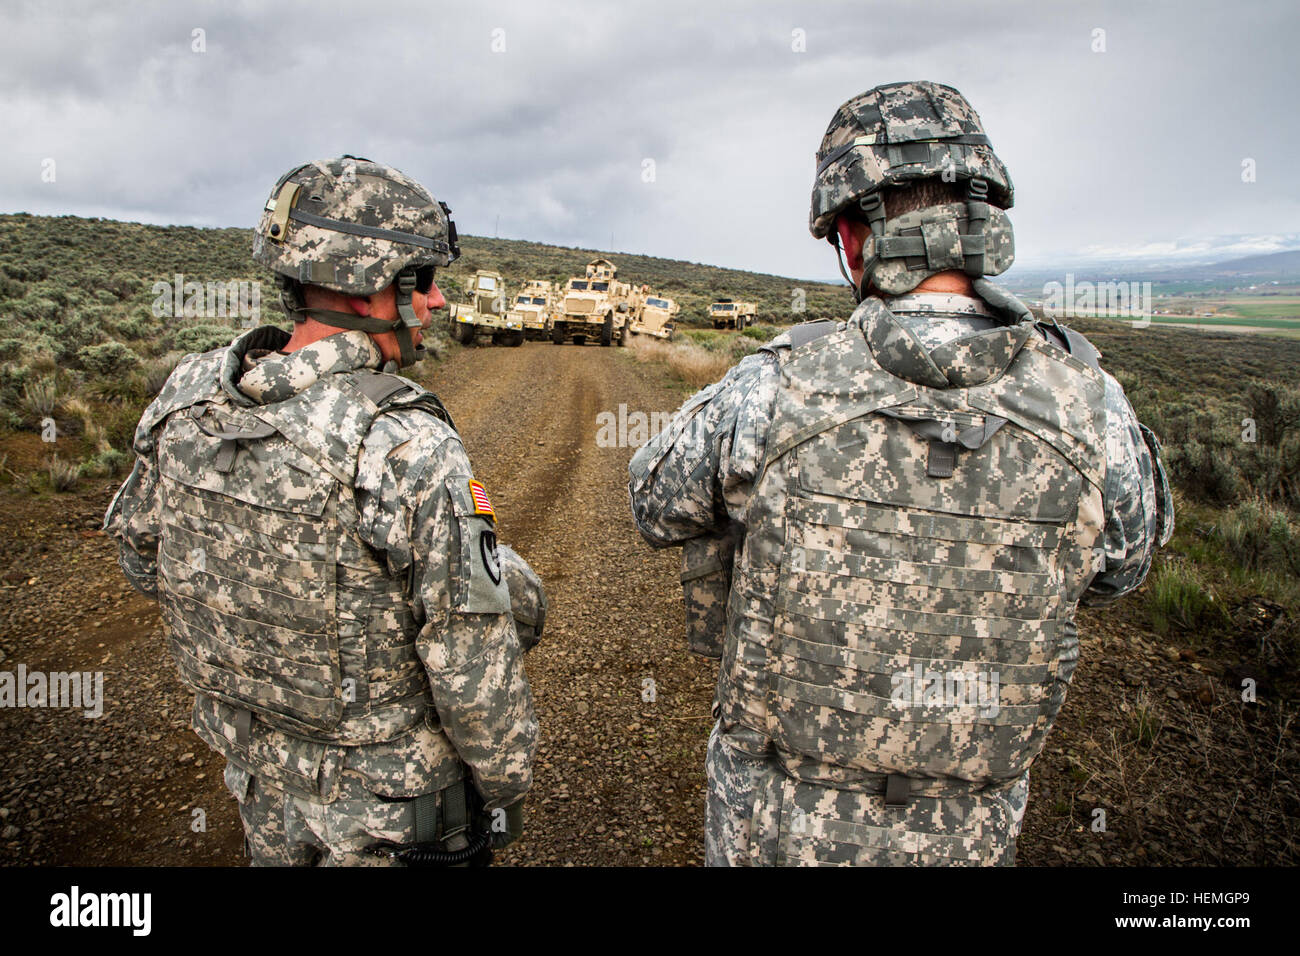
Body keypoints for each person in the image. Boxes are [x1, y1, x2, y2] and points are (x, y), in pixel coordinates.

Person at [629, 83, 1174, 866]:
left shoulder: (778, 385)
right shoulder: (1091, 403)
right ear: (981, 222)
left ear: (852, 236)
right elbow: (1120, 570)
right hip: (968, 838)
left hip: (774, 828)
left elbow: (654, 502)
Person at [105, 156, 540, 866]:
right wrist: (503, 787)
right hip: (398, 819)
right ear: (370, 288)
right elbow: (473, 663)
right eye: (422, 280)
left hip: (262, 789)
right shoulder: (406, 441)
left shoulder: (185, 399)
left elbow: (144, 559)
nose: (435, 302)